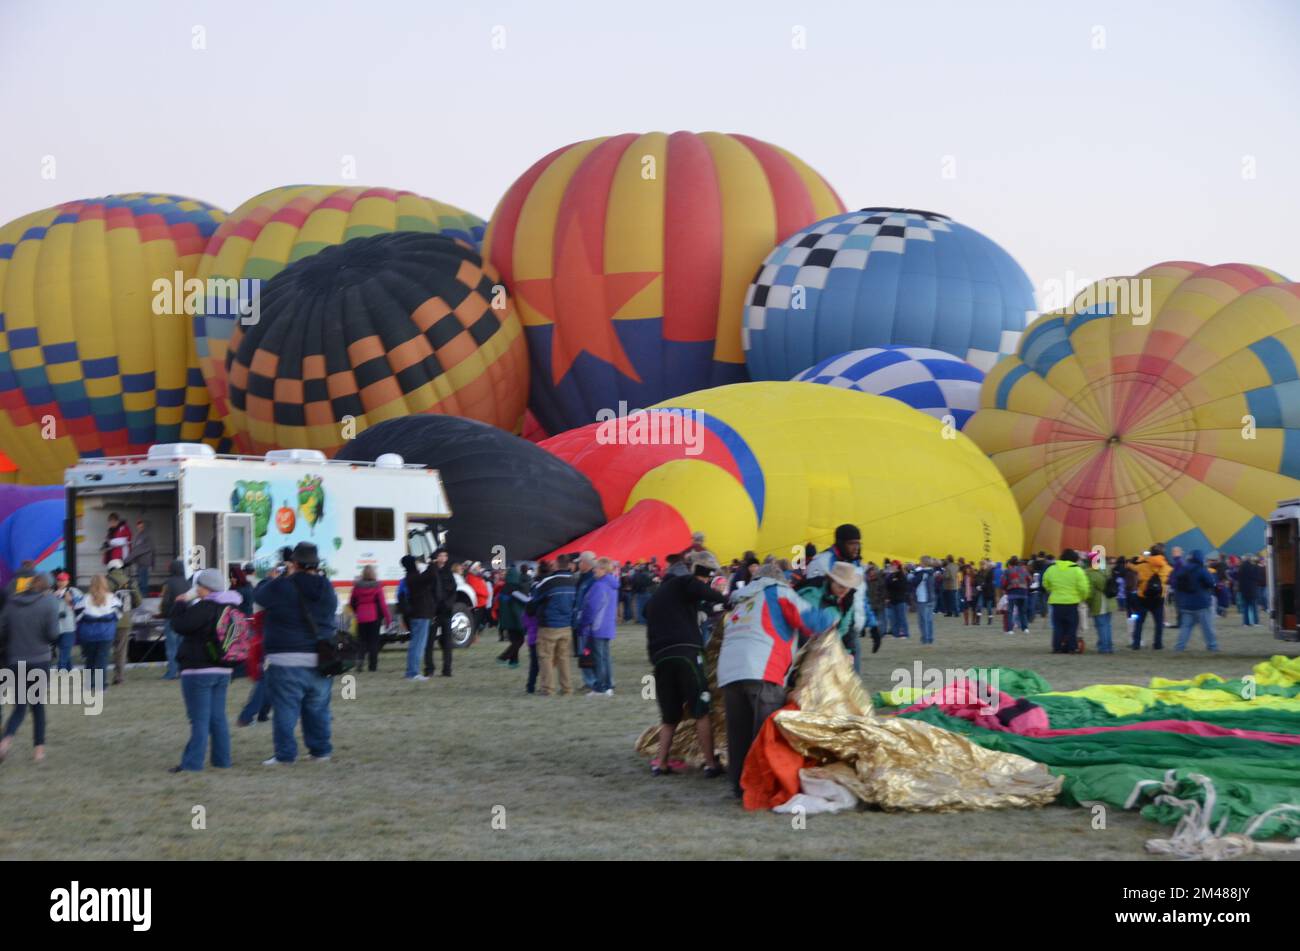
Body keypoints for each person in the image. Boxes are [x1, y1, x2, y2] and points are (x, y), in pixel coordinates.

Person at [720, 562, 818, 797]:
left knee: (738, 736)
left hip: (730, 673)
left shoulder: (742, 601)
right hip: (763, 670)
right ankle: (761, 789)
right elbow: (810, 620)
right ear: (780, 580)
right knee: (764, 735)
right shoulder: (779, 593)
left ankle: (738, 787)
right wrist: (833, 620)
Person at [645, 550, 728, 777]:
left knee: (669, 715)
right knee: (701, 709)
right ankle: (711, 764)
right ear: (704, 573)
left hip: (661, 657)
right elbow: (697, 588)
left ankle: (660, 763)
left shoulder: (659, 597)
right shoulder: (685, 583)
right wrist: (726, 599)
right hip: (686, 653)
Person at [255, 542, 338, 764]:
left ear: (294, 563)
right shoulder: (326, 587)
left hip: (286, 657)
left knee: (285, 709)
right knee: (318, 708)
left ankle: (285, 754)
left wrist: (272, 578)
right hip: (321, 657)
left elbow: (259, 596)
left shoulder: (282, 586)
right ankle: (320, 751)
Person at [167, 567, 241, 772]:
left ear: (204, 588)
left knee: (199, 719)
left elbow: (179, 625)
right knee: (218, 717)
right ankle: (222, 759)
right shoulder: (231, 607)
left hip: (199, 669)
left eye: (198, 586)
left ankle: (192, 763)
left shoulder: (204, 608)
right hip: (224, 668)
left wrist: (181, 602)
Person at [0, 572, 60, 763]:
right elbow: (53, 635)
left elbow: (2, 632)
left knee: (19, 706)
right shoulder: (49, 603)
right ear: (47, 588)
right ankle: (39, 751)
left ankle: (5, 742)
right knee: (37, 706)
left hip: (15, 660)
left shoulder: (11, 602)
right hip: (39, 660)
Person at [528, 554, 577, 696]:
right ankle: (567, 688)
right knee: (563, 658)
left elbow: (534, 601)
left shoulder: (548, 582)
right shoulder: (574, 581)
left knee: (545, 657)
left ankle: (548, 689)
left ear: (556, 564)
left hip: (548, 625)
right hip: (566, 625)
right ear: (568, 565)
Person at [577, 557, 620, 696]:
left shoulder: (599, 585)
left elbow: (591, 607)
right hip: (607, 626)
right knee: (605, 658)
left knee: (598, 658)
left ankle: (600, 687)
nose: (594, 570)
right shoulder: (611, 585)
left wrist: (584, 623)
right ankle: (608, 686)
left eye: (597, 568)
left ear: (603, 569)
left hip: (597, 626)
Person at [75, 574, 120, 688]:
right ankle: (101, 685)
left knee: (89, 660)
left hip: (88, 634)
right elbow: (119, 614)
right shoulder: (113, 598)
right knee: (102, 660)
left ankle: (89, 684)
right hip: (106, 634)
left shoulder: (85, 599)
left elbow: (77, 616)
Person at [1042, 548, 1090, 654]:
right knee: (1072, 626)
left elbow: (1045, 582)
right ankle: (1072, 647)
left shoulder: (1052, 569)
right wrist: (1083, 597)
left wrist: (1052, 591)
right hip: (1072, 602)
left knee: (1058, 626)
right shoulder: (1077, 570)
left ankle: (1057, 647)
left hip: (1056, 602)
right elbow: (1084, 587)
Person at [1172, 549, 1220, 652]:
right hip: (1201, 603)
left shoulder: (1183, 569)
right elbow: (1211, 583)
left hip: (1185, 604)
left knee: (1185, 628)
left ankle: (1179, 647)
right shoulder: (1201, 569)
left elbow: (1175, 583)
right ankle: (1212, 646)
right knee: (1207, 627)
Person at [105, 558, 141, 685]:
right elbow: (138, 602)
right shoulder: (130, 582)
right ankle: (119, 677)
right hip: (124, 621)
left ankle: (101, 678)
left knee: (103, 649)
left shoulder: (105, 581)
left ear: (109, 569)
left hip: (107, 620)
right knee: (121, 650)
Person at [349, 565, 390, 673]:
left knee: (361, 642)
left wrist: (356, 611)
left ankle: (359, 663)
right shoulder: (377, 586)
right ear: (373, 573)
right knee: (373, 642)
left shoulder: (357, 586)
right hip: (373, 616)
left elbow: (351, 602)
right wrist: (387, 618)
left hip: (361, 616)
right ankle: (372, 666)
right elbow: (382, 604)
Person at [1131, 544, 1172, 650]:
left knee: (1139, 622)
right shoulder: (1166, 567)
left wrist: (1142, 557)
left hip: (1143, 597)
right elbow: (1172, 571)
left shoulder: (1143, 565)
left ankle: (1136, 643)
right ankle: (1158, 644)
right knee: (1159, 623)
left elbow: (1132, 566)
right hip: (1158, 598)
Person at [156, 560, 189, 680]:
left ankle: (172, 672)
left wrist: (163, 613)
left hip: (171, 618)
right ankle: (182, 671)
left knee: (171, 647)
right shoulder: (187, 583)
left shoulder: (168, 583)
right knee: (182, 646)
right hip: (185, 618)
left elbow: (164, 601)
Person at [572, 551, 599, 690]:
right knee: (583, 651)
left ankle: (592, 681)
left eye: (580, 561)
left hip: (587, 622)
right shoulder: (583, 578)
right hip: (580, 621)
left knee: (588, 651)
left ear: (586, 563)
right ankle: (588, 680)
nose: (578, 564)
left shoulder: (592, 580)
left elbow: (589, 602)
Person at [496, 566, 528, 667]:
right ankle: (503, 657)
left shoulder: (503, 589)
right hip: (516, 620)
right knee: (519, 641)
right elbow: (525, 602)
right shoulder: (516, 590)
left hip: (507, 621)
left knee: (514, 640)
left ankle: (514, 662)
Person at [1083, 555, 1113, 653]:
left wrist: (1087, 601)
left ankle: (1104, 647)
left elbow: (1090, 591)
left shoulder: (1090, 573)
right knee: (1107, 625)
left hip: (1099, 602)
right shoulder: (1107, 569)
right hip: (1110, 601)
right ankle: (1109, 646)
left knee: (1101, 625)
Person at [52, 571, 81, 672]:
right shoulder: (52, 593)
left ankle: (60, 670)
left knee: (64, 651)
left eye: (63, 580)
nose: (61, 583)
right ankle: (69, 669)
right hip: (57, 627)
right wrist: (53, 597)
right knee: (64, 651)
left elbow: (81, 604)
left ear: (68, 581)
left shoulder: (74, 591)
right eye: (59, 580)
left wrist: (71, 600)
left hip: (69, 626)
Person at [910, 557, 939, 646]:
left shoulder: (923, 573)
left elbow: (913, 582)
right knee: (929, 620)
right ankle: (930, 638)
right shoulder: (932, 572)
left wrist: (912, 574)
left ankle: (925, 638)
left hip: (923, 599)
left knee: (923, 620)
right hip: (931, 598)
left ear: (924, 563)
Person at [1003, 556, 1030, 633]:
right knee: (1023, 611)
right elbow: (1029, 579)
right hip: (1023, 592)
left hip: (1012, 592)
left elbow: (1004, 582)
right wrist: (1026, 586)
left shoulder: (1007, 571)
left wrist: (1005, 589)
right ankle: (1025, 628)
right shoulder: (1024, 570)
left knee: (1010, 611)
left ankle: (1010, 629)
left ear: (1010, 563)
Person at [884, 561, 910, 638]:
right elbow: (886, 584)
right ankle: (895, 633)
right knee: (893, 618)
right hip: (892, 600)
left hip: (900, 600)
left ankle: (905, 633)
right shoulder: (890, 575)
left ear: (898, 567)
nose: (892, 567)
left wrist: (893, 583)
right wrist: (891, 580)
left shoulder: (902, 575)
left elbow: (901, 586)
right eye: (892, 566)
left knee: (902, 618)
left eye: (894, 566)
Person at [128, 518, 154, 594]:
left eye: (141, 527)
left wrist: (128, 559)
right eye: (139, 527)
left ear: (144, 527)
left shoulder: (146, 536)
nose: (140, 528)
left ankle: (144, 595)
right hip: (139, 562)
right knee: (141, 580)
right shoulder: (137, 537)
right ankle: (142, 594)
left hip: (144, 562)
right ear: (137, 527)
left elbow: (142, 550)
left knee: (143, 580)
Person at [1237, 555, 1262, 626]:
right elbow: (1257, 578)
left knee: (1245, 607)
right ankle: (1255, 622)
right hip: (1252, 589)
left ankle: (1245, 622)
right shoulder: (1253, 567)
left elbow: (1238, 578)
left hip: (1243, 590)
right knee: (1254, 607)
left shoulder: (1241, 568)